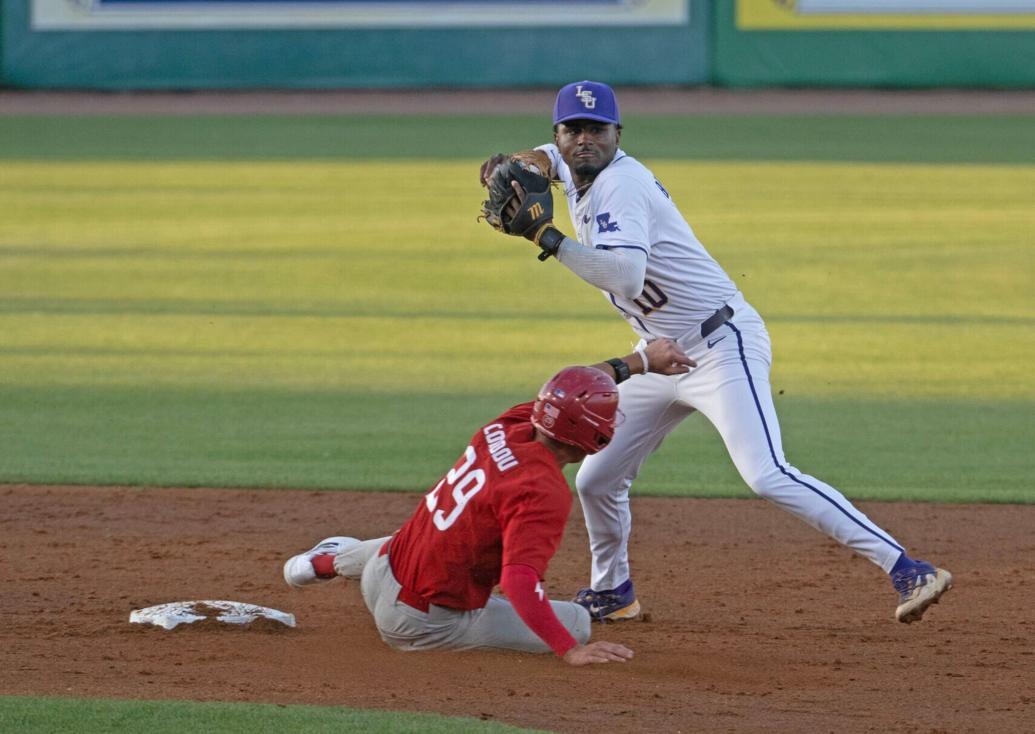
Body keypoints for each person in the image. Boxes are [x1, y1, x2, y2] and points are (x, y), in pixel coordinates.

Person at [479, 80, 952, 625]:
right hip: (659, 356)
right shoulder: (569, 162)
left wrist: (548, 237)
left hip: (721, 344)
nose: (584, 141)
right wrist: (516, 163)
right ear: (559, 134)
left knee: (765, 472)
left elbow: (627, 275)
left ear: (618, 134)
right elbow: (541, 159)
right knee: (596, 478)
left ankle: (907, 567)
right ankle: (613, 591)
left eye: (597, 130)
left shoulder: (621, 186)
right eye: (573, 130)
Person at [283, 339, 693, 665]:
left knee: (432, 534)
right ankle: (334, 562)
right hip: (416, 625)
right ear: (592, 436)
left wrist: (639, 361)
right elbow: (518, 581)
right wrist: (570, 649)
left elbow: (570, 390)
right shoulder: (543, 490)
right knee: (579, 623)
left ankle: (323, 563)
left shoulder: (511, 425)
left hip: (382, 568)